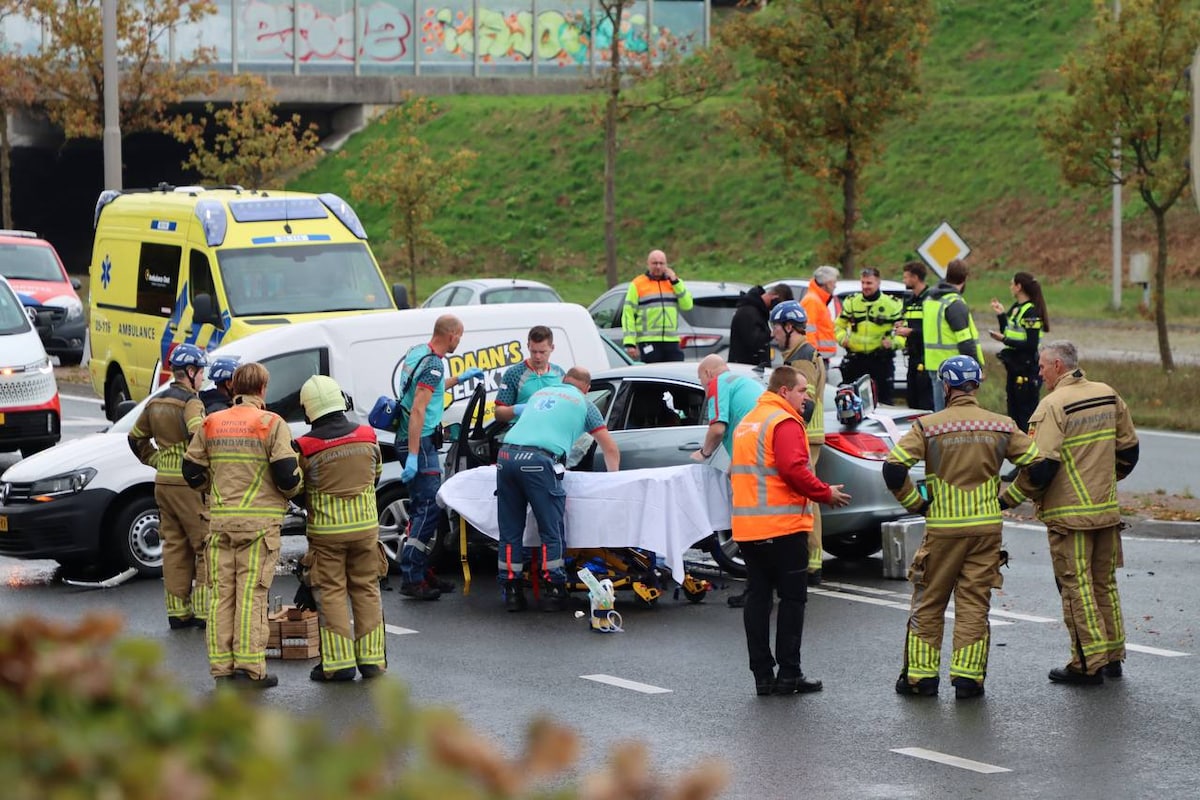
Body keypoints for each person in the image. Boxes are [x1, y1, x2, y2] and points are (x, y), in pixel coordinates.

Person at [884, 355, 1042, 700]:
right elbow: (1041, 467)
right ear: (977, 384)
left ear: (946, 386)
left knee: (929, 601)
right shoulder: (1002, 425)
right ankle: (968, 680)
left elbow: (894, 469)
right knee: (974, 604)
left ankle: (921, 679)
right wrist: (1009, 499)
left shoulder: (928, 426)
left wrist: (917, 504)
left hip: (943, 529)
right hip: (986, 529)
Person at [1000, 341, 1139, 686]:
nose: (1039, 373)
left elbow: (1041, 467)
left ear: (1058, 366)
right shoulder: (1108, 394)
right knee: (1104, 584)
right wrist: (1107, 481)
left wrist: (1007, 499)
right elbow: (1129, 450)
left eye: (1042, 367)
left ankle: (1086, 663)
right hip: (1105, 511)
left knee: (1076, 586)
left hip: (1069, 516)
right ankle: (1112, 657)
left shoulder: (1052, 405)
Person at [731, 365, 850, 696]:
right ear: (784, 391)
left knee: (757, 599)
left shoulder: (750, 422)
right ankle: (789, 674)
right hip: (782, 527)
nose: (806, 398)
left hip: (749, 528)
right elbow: (793, 469)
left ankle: (762, 676)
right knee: (792, 600)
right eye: (801, 391)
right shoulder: (784, 422)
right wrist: (825, 493)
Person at [183, 362, 303, 689]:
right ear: (263, 389)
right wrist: (292, 491)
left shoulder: (212, 422)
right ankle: (249, 669)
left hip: (220, 523)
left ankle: (221, 668)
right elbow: (287, 476)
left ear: (234, 387)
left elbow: (191, 471)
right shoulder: (271, 423)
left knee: (222, 596)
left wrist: (213, 488)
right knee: (251, 595)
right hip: (259, 526)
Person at [496, 367, 620, 612]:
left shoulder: (540, 394)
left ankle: (512, 592)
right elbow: (610, 447)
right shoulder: (585, 404)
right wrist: (613, 481)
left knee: (510, 531)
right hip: (537, 462)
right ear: (586, 389)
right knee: (550, 529)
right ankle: (554, 591)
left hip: (506, 457)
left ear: (564, 381)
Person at [295, 375, 387, 683]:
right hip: (366, 529)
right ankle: (372, 661)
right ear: (341, 401)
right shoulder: (368, 436)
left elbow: (296, 488)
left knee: (331, 592)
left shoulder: (305, 447)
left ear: (308, 410)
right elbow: (375, 475)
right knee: (367, 589)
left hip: (327, 534)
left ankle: (339, 664)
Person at [394, 314, 484, 600]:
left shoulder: (418, 352)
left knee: (420, 507)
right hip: (420, 443)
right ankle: (412, 576)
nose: (460, 341)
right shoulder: (433, 363)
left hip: (410, 440)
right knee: (429, 508)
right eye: (460, 336)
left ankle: (420, 571)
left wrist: (459, 379)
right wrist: (414, 454)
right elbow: (418, 409)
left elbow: (427, 390)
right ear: (452, 334)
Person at [128, 343, 210, 630]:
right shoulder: (191, 403)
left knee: (174, 546)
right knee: (205, 545)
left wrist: (157, 460)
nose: (203, 378)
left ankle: (178, 612)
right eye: (201, 372)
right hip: (189, 486)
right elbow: (200, 436)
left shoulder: (155, 402)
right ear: (190, 371)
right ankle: (203, 611)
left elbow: (135, 438)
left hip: (163, 483)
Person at [769, 300, 828, 585]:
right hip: (806, 434)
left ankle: (812, 563)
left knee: (806, 497)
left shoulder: (802, 358)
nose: (773, 333)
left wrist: (792, 430)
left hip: (805, 434)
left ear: (789, 327)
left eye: (776, 327)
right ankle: (811, 561)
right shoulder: (800, 353)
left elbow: (805, 402)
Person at [989, 272, 1050, 432]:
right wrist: (1001, 315)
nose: (1010, 287)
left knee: (1025, 417)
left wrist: (1004, 340)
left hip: (1027, 370)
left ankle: (1029, 445)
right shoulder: (1016, 308)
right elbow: (1008, 332)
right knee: (1013, 414)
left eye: (1012, 284)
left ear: (1019, 287)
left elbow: (1031, 344)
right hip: (1014, 368)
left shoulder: (1031, 312)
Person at [834, 267, 904, 404]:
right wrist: (842, 339)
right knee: (853, 401)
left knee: (884, 402)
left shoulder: (892, 304)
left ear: (878, 282)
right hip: (856, 360)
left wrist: (893, 343)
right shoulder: (852, 302)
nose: (865, 286)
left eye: (869, 283)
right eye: (863, 283)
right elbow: (838, 325)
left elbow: (902, 331)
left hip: (881, 360)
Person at [923, 259, 983, 412]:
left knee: (941, 414)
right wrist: (976, 368)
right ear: (965, 278)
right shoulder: (954, 303)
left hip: (934, 364)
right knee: (957, 414)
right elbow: (965, 341)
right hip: (957, 370)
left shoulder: (930, 299)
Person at [621, 249, 694, 363]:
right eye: (655, 263)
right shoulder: (637, 284)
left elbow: (687, 305)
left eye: (661, 263)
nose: (658, 266)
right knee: (652, 373)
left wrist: (675, 282)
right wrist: (630, 342)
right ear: (648, 264)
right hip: (648, 341)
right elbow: (628, 314)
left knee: (675, 372)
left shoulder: (674, 282)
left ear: (666, 265)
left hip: (671, 341)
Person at [692, 354, 766, 465]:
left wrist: (704, 453)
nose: (701, 383)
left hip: (754, 451)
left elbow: (717, 430)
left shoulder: (718, 383)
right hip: (768, 446)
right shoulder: (745, 382)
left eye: (700, 378)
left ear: (708, 373)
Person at [494, 325, 566, 424]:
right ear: (528, 346)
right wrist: (516, 409)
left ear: (552, 348)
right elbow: (498, 413)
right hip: (523, 431)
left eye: (542, 352)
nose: (537, 356)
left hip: (551, 430)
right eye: (534, 351)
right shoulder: (514, 373)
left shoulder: (559, 373)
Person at [893, 260, 934, 411]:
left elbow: (933, 330)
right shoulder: (910, 301)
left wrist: (911, 332)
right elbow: (911, 322)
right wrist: (901, 326)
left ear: (915, 278)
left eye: (906, 277)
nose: (904, 280)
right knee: (912, 401)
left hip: (926, 357)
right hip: (912, 356)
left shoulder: (930, 300)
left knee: (926, 403)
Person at [728, 283, 793, 366]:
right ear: (775, 297)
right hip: (747, 368)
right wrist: (772, 332)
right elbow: (755, 342)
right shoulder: (748, 313)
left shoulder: (759, 311)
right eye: (778, 304)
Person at [800, 265, 839, 366]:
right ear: (826, 283)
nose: (835, 286)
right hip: (816, 359)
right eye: (833, 282)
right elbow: (808, 332)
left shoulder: (817, 300)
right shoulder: (812, 301)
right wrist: (812, 357)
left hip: (820, 357)